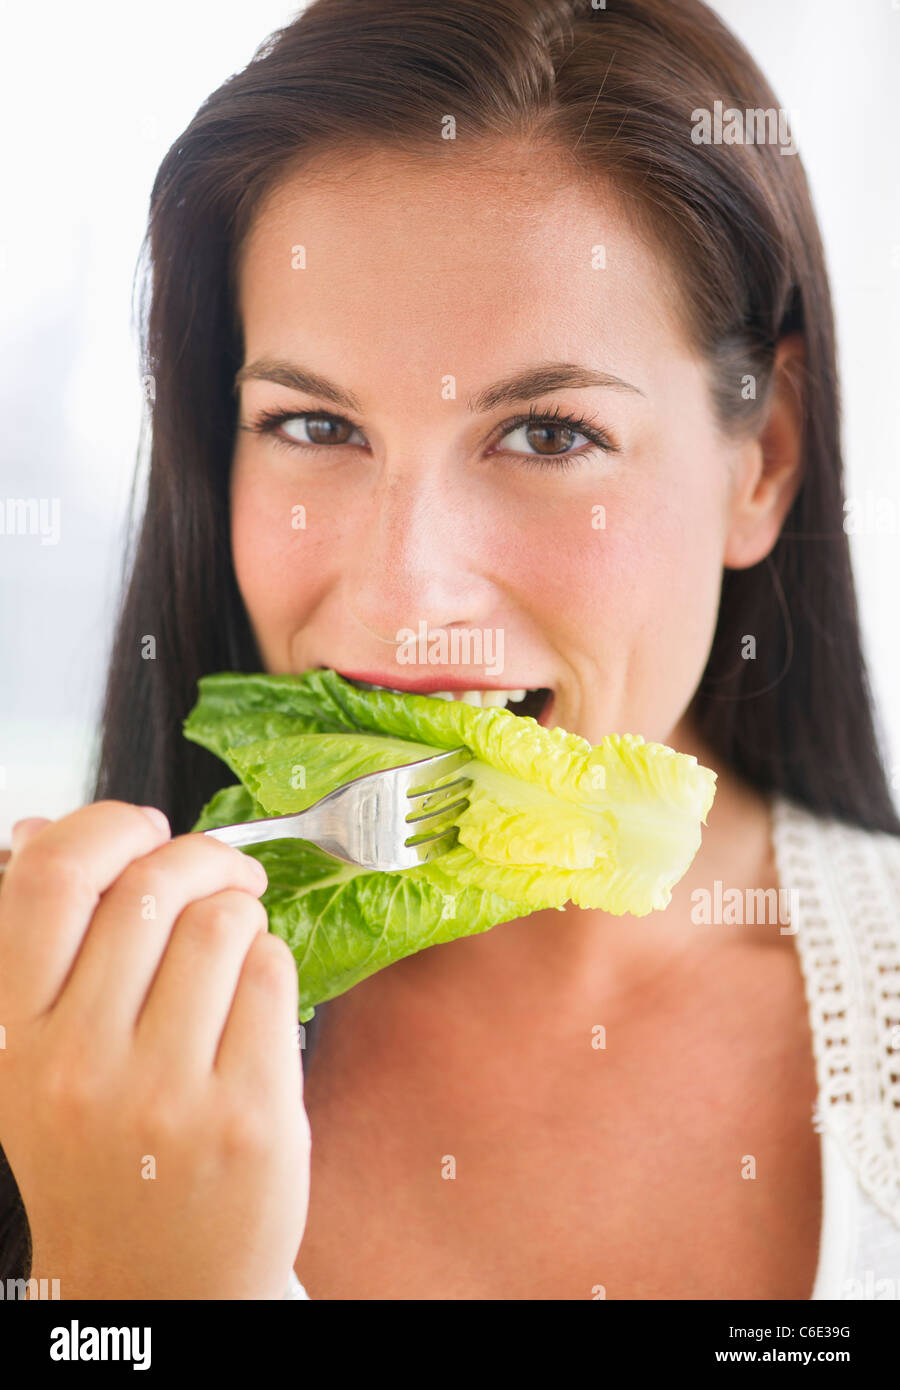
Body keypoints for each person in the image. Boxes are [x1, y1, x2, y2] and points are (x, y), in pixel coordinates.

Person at [2, 0, 899, 1301]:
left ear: (761, 457)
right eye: (312, 424)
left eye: (547, 434)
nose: (403, 581)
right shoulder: (47, 1048)